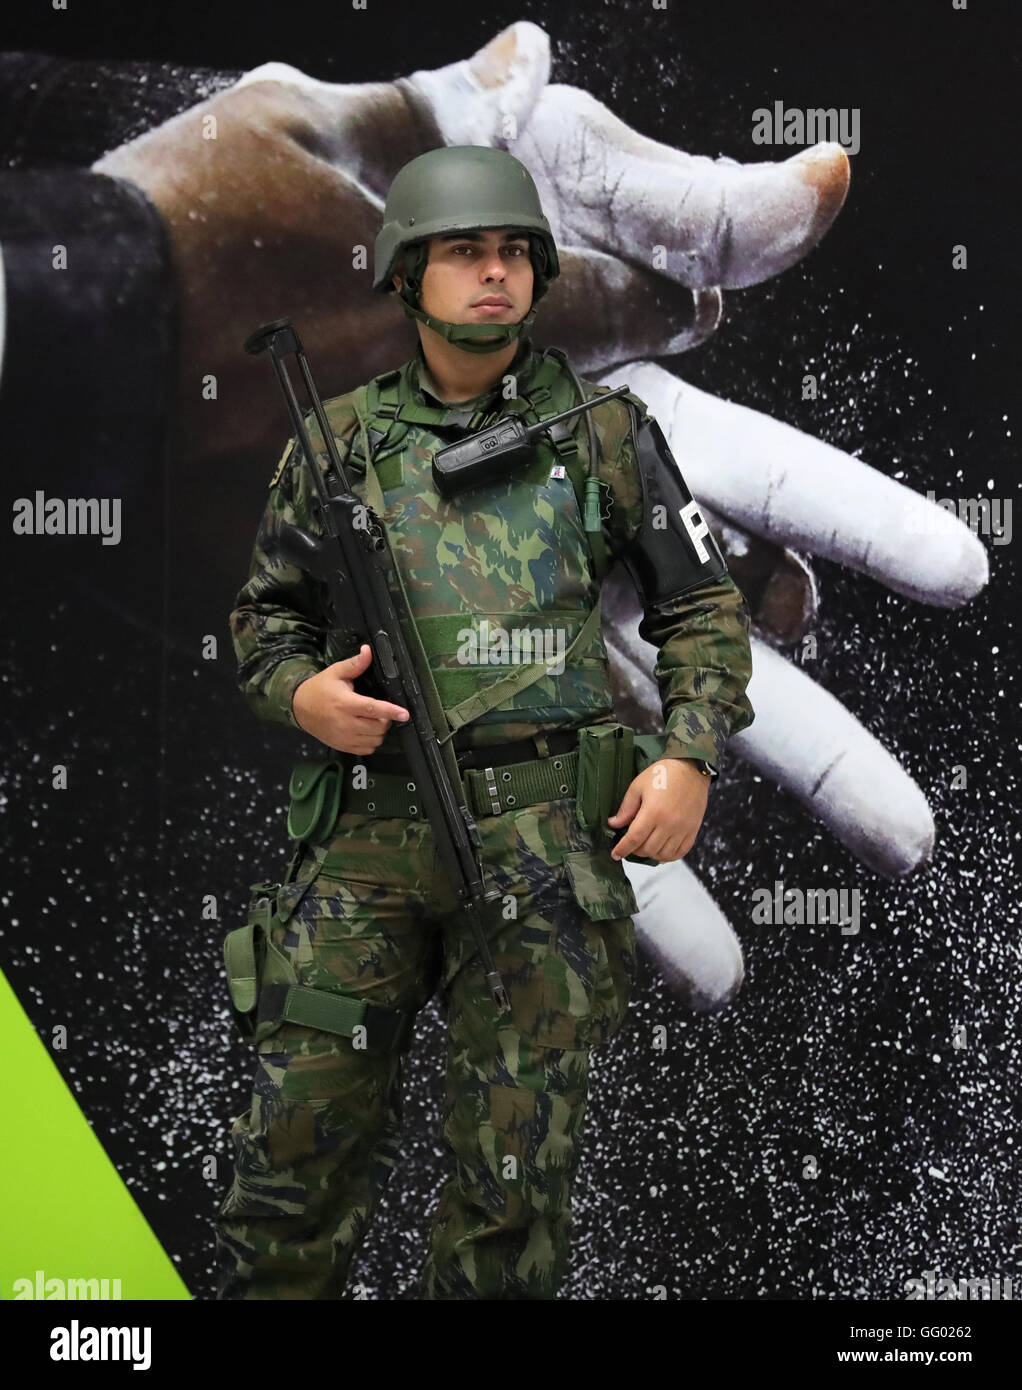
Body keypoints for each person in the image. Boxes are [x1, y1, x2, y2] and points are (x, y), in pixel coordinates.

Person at [214, 142, 754, 1301]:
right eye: (464, 251)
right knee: (291, 1166)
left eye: (513, 251)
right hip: (363, 841)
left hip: (545, 841)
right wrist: (303, 693)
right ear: (406, 274)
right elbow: (263, 623)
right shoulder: (338, 443)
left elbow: (703, 605)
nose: (495, 273)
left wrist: (688, 755)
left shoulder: (603, 436)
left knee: (509, 1195)